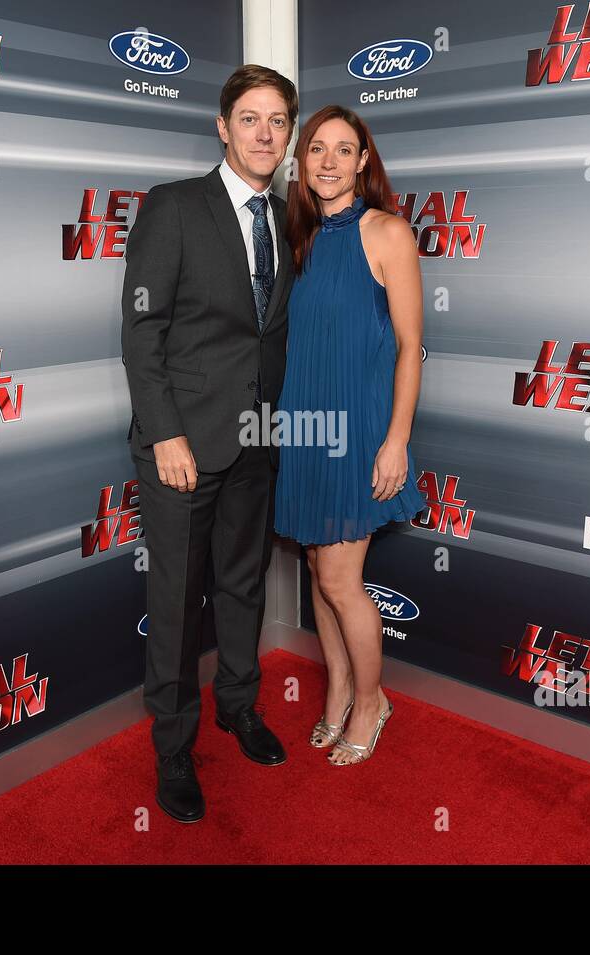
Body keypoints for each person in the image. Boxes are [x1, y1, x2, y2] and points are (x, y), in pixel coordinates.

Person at [120, 65, 297, 822]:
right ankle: (172, 748)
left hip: (258, 435)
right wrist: (164, 432)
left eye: (277, 122)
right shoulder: (175, 208)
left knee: (243, 585)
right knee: (175, 601)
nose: (264, 134)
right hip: (183, 445)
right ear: (222, 127)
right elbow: (142, 329)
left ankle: (239, 706)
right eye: (249, 119)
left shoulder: (289, 217)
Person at [274, 105, 426, 766]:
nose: (329, 161)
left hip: (358, 431)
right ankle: (338, 688)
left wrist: (395, 441)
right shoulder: (302, 236)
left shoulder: (387, 232)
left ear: (365, 161)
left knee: (341, 579)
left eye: (344, 149)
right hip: (304, 427)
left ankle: (373, 701)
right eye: (317, 149)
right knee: (315, 565)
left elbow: (413, 347)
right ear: (303, 161)